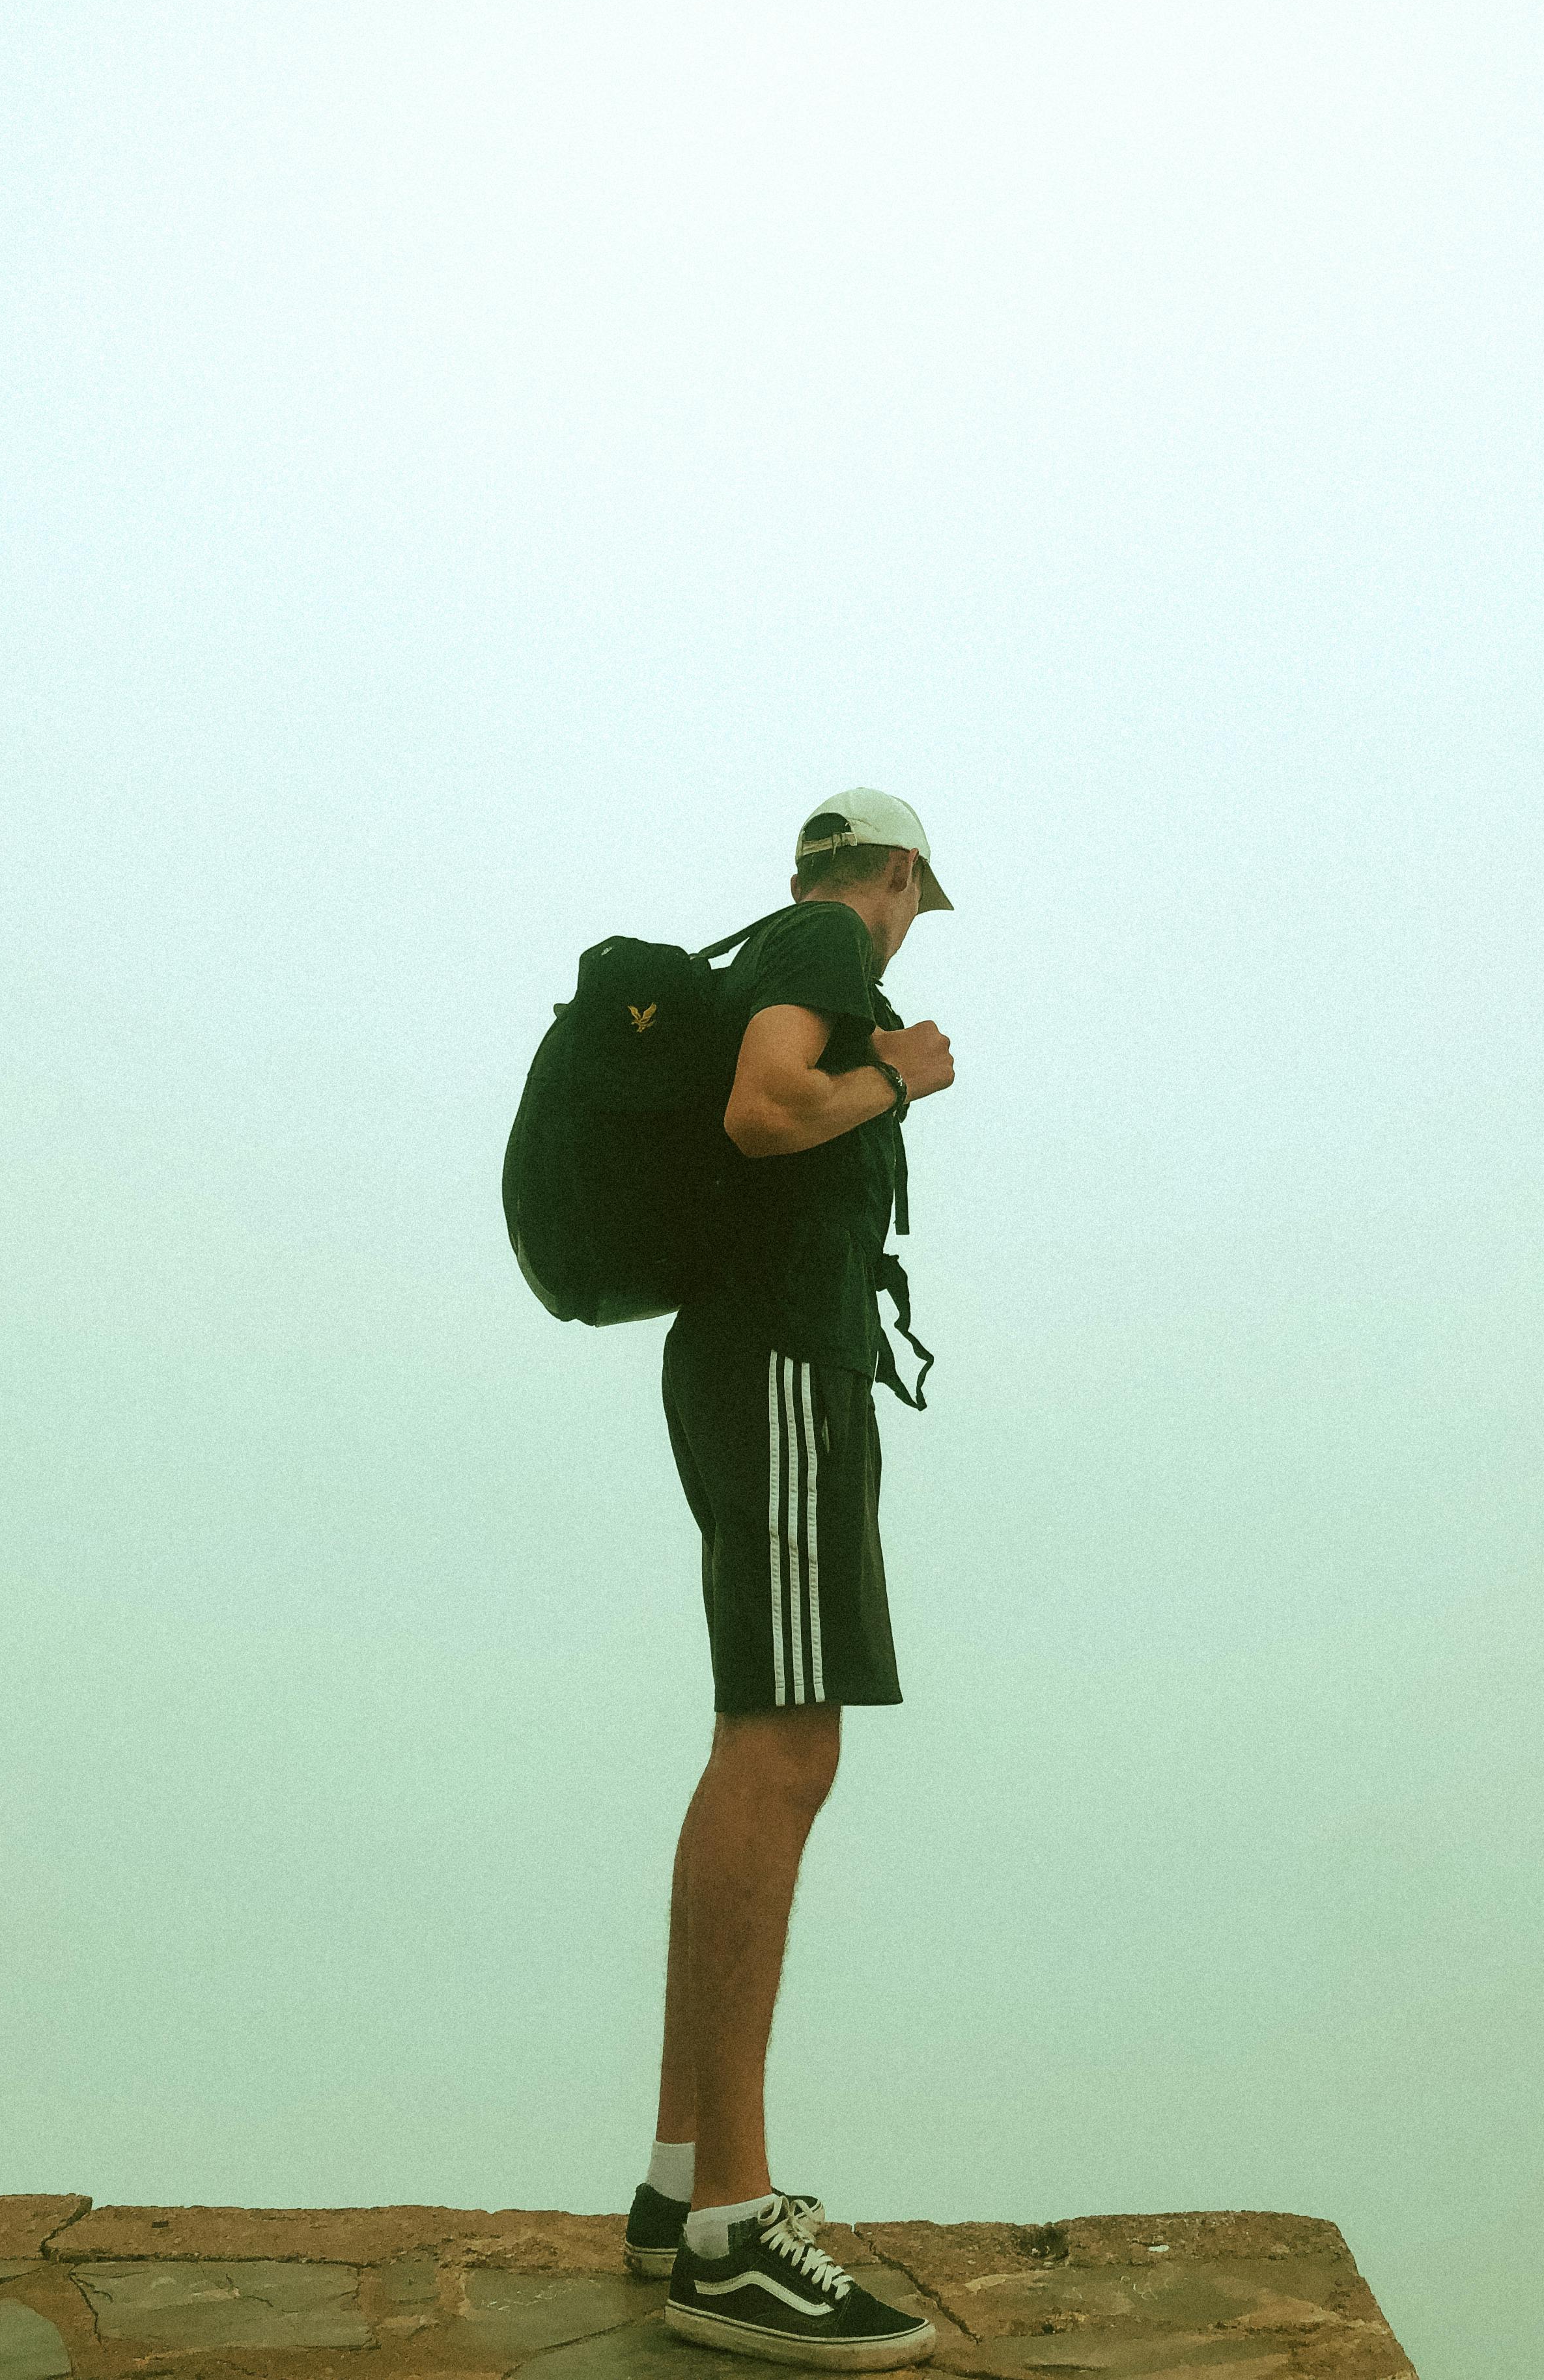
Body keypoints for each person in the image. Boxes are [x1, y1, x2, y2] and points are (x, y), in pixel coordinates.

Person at [623, 788, 957, 2369]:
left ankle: (682, 2180)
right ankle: (732, 2236)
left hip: (752, 1362)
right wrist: (896, 1067)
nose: (901, 927)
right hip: (776, 1368)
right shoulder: (829, 941)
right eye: (915, 901)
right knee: (786, 1744)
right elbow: (768, 1112)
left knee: (759, 1742)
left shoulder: (779, 932)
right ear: (897, 878)